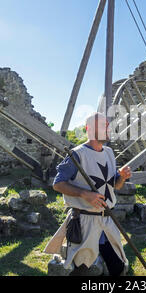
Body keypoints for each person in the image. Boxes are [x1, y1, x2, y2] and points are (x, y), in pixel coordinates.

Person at [44, 112, 132, 276]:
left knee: (118, 266)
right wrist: (85, 194)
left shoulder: (109, 153)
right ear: (89, 129)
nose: (107, 128)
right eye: (103, 126)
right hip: (85, 221)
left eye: (107, 125)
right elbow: (58, 184)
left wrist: (122, 177)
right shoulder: (77, 155)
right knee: (82, 268)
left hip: (107, 219)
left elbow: (114, 185)